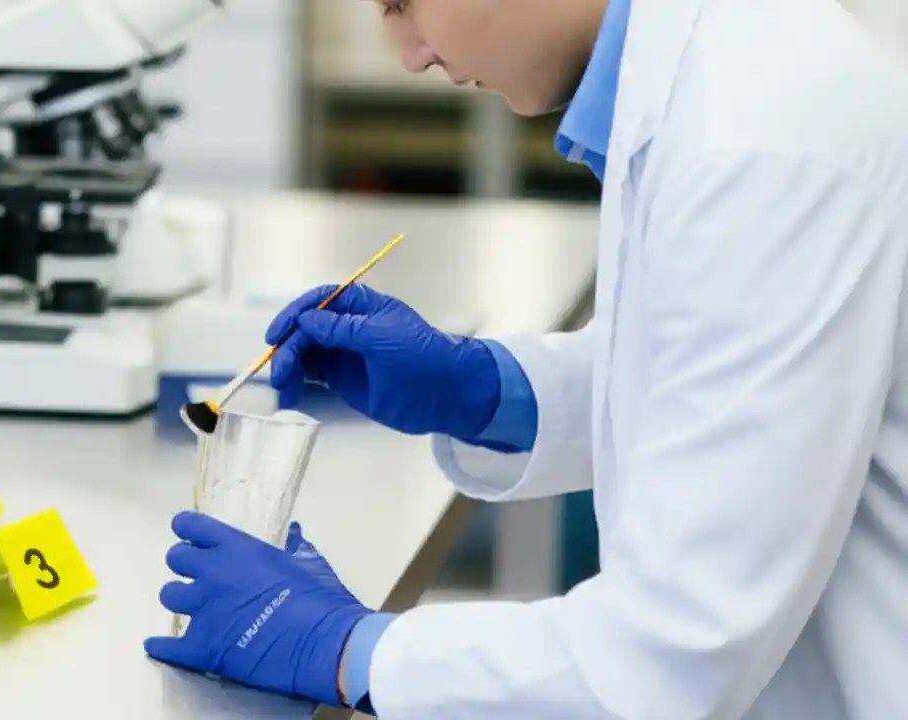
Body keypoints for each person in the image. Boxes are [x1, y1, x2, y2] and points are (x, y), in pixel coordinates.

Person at [145, 0, 908, 716]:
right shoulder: (713, 82)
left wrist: (350, 650)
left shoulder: (760, 135)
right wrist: (487, 390)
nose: (409, 56)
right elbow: (710, 373)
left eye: (402, 2)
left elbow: (675, 652)